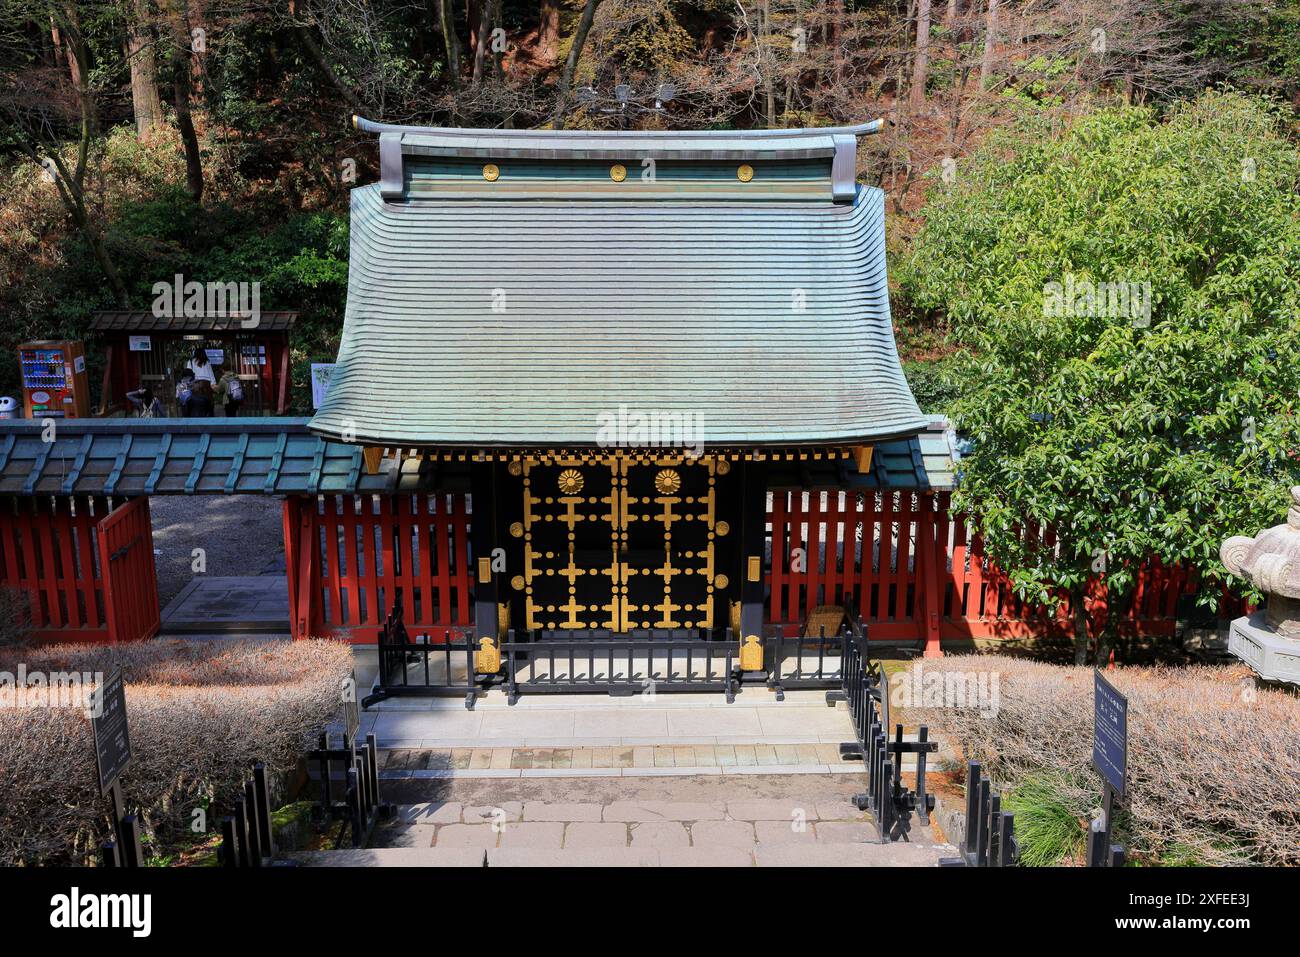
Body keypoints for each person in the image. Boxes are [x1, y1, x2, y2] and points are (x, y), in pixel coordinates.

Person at [186, 346, 215, 417]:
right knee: (208, 408)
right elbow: (211, 376)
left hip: (196, 388)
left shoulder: (190, 362)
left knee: (196, 408)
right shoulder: (207, 362)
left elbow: (188, 376)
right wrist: (213, 386)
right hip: (207, 388)